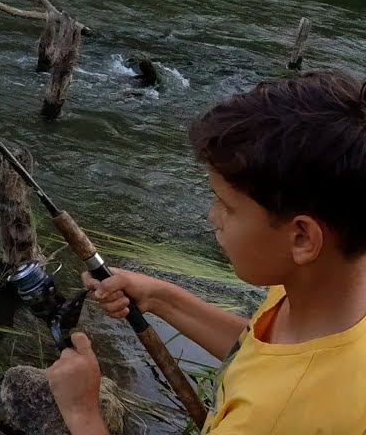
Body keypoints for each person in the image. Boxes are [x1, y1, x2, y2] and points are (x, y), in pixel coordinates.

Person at [47, 70, 366, 434]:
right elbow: (259, 350)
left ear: (302, 239)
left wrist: (82, 413)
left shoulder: (274, 418)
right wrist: (160, 298)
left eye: (227, 206)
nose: (213, 217)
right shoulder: (332, 285)